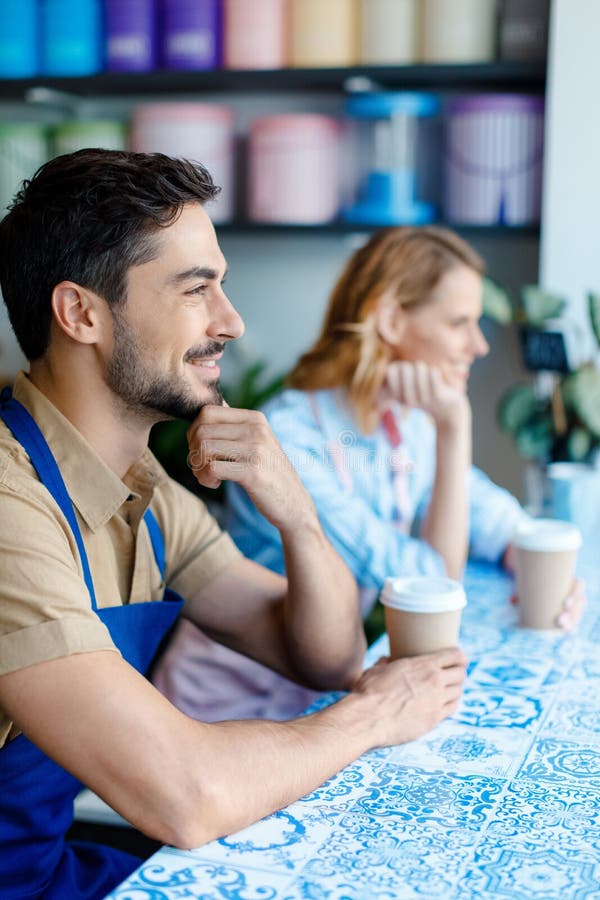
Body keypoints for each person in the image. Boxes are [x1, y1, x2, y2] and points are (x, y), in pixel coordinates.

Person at [0, 151, 467, 900]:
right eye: (197, 289)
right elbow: (185, 796)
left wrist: (298, 515)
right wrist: (374, 716)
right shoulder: (10, 502)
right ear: (81, 313)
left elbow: (321, 656)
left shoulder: (144, 493)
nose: (232, 321)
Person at [153, 226, 585, 723]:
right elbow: (430, 582)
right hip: (221, 714)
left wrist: (534, 562)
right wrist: (455, 426)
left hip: (312, 703)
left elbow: (490, 516)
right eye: (460, 323)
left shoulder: (405, 423)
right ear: (391, 321)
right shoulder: (293, 439)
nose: (478, 345)